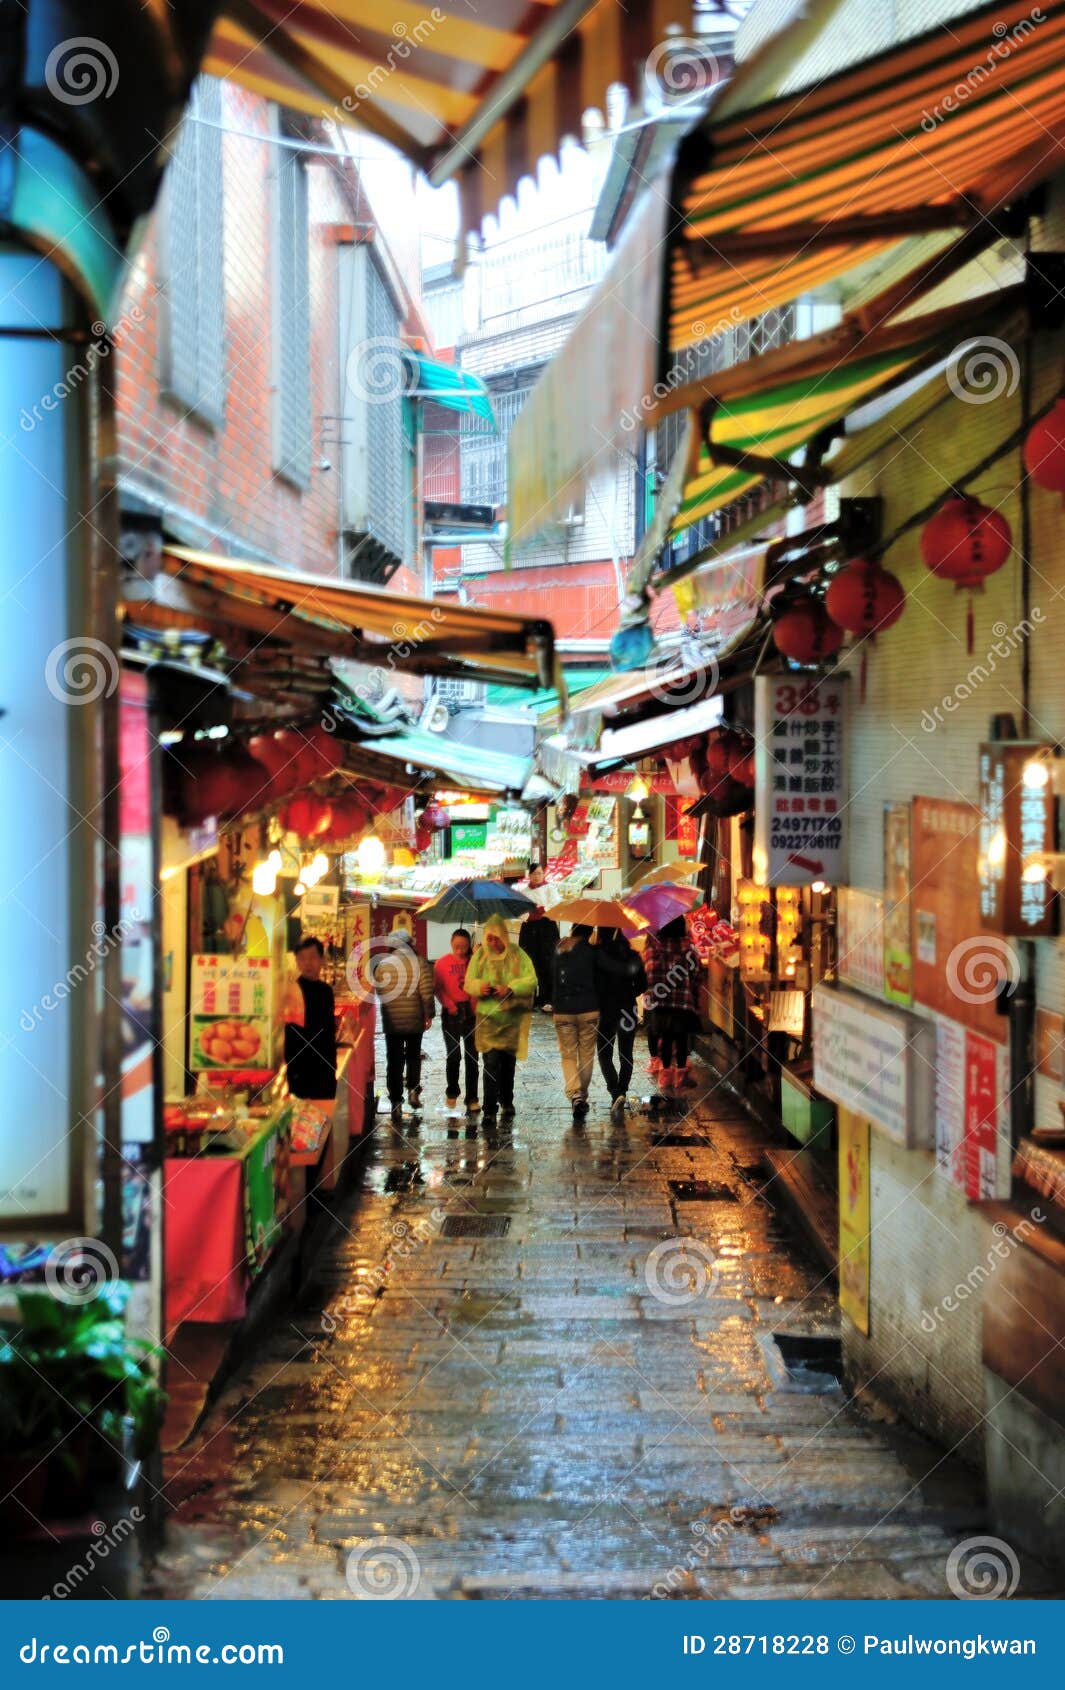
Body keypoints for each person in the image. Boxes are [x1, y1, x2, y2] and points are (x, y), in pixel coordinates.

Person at [465, 914, 537, 1126]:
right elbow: (469, 981)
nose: (493, 943)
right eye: (490, 938)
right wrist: (480, 987)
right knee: (490, 1064)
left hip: (512, 1021)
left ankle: (507, 1100)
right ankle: (489, 1109)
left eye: (497, 938)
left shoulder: (518, 954)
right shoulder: (479, 957)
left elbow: (531, 979)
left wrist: (511, 988)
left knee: (508, 1064)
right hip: (488, 1021)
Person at [370, 916, 435, 1121]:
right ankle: (414, 1090)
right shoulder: (420, 963)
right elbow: (426, 992)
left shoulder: (382, 965)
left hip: (392, 1022)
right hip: (415, 1020)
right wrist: (429, 1014)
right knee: (413, 1056)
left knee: (394, 1061)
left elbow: (380, 992)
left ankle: (396, 1102)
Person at [643, 916, 701, 1097]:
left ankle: (665, 1073)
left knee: (666, 1036)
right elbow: (696, 974)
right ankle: (681, 1075)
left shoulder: (654, 948)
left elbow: (649, 974)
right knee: (681, 1036)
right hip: (682, 1000)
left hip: (660, 1002)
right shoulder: (689, 949)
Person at [595, 927, 647, 1120]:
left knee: (604, 1053)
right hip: (628, 1008)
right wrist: (629, 992)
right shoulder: (633, 955)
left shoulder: (599, 956)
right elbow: (642, 984)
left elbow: (595, 984)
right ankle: (622, 1091)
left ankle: (615, 1092)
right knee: (626, 1053)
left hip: (607, 1010)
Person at [551, 923, 600, 1123]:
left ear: (572, 930)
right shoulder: (592, 952)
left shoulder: (559, 948)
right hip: (589, 1007)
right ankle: (581, 1095)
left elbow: (551, 976)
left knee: (568, 1055)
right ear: (590, 933)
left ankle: (576, 1094)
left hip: (563, 1009)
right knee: (587, 1054)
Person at [284, 936, 337, 1100]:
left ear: (322, 960)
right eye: (302, 958)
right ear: (297, 962)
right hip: (300, 1070)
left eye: (312, 957)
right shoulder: (292, 991)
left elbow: (327, 1030)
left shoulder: (326, 991)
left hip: (325, 1068)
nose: (307, 963)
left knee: (324, 1120)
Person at [434, 927, 479, 1114]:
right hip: (451, 1012)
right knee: (453, 1055)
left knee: (472, 1058)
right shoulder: (442, 963)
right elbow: (437, 988)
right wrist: (448, 1004)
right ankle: (452, 1091)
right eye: (457, 946)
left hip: (471, 1012)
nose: (460, 950)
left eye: (464, 946)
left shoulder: (474, 961)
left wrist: (478, 956)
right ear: (451, 943)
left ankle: (472, 1098)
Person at [518, 869, 560, 1011]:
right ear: (529, 875)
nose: (537, 876)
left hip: (547, 928)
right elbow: (520, 912)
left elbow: (555, 905)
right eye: (534, 874)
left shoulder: (550, 888)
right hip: (529, 930)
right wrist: (532, 914)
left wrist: (541, 911)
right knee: (531, 962)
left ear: (543, 875)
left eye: (540, 873)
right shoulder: (523, 892)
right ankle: (535, 997)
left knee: (548, 961)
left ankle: (549, 998)